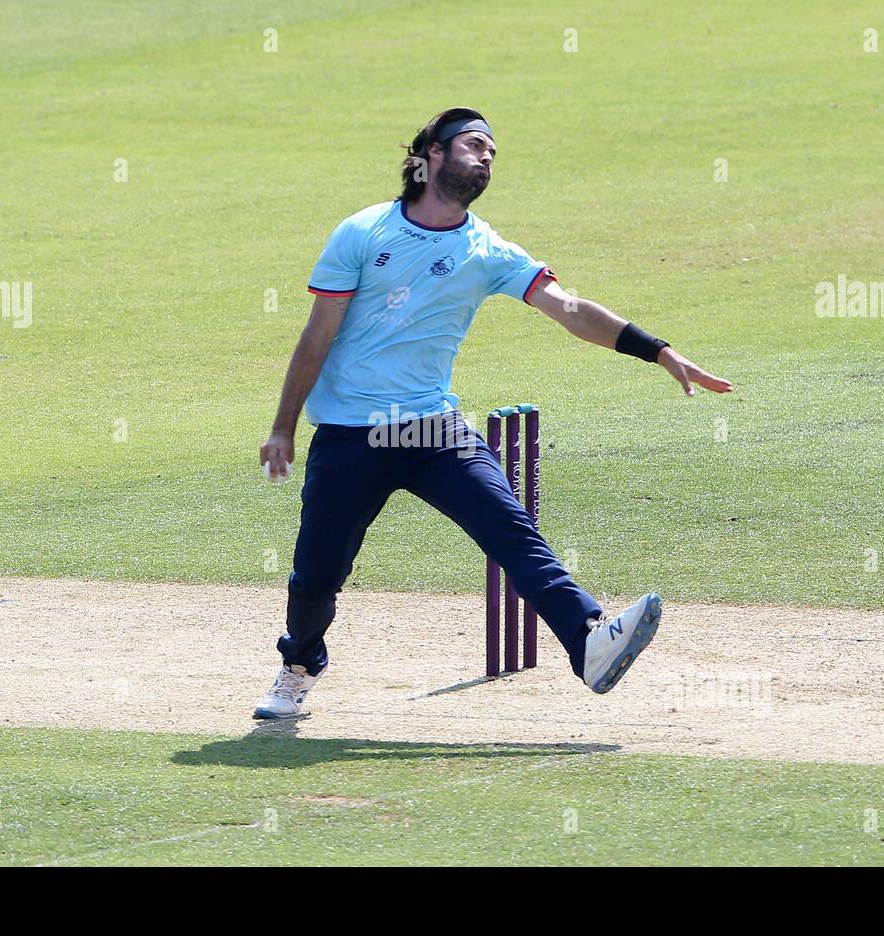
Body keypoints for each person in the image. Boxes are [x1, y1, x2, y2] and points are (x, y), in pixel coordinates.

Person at [255, 107, 732, 719]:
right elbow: (317, 335)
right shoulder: (363, 233)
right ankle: (298, 666)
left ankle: (588, 639)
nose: (485, 159)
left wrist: (659, 351)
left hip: (434, 429)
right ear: (430, 153)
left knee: (514, 535)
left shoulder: (487, 248)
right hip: (351, 435)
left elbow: (570, 308)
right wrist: (282, 427)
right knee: (317, 576)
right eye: (474, 146)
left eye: (492, 153)